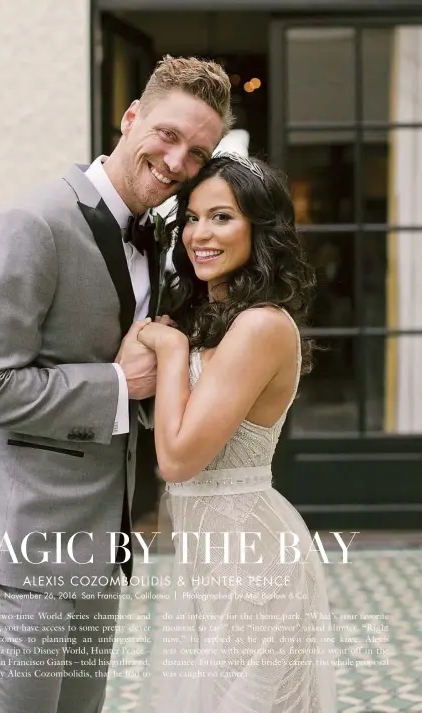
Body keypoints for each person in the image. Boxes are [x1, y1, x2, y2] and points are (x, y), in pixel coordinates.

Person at [0, 56, 232, 713]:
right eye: (167, 135)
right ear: (130, 119)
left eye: (198, 152)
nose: (178, 160)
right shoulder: (31, 224)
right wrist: (113, 383)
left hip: (101, 544)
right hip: (22, 539)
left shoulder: (160, 239)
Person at [137, 154, 337, 712]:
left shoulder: (261, 326)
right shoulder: (216, 317)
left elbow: (177, 460)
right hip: (211, 564)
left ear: (260, 229)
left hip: (255, 567)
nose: (201, 233)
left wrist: (173, 350)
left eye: (222, 217)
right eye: (193, 218)